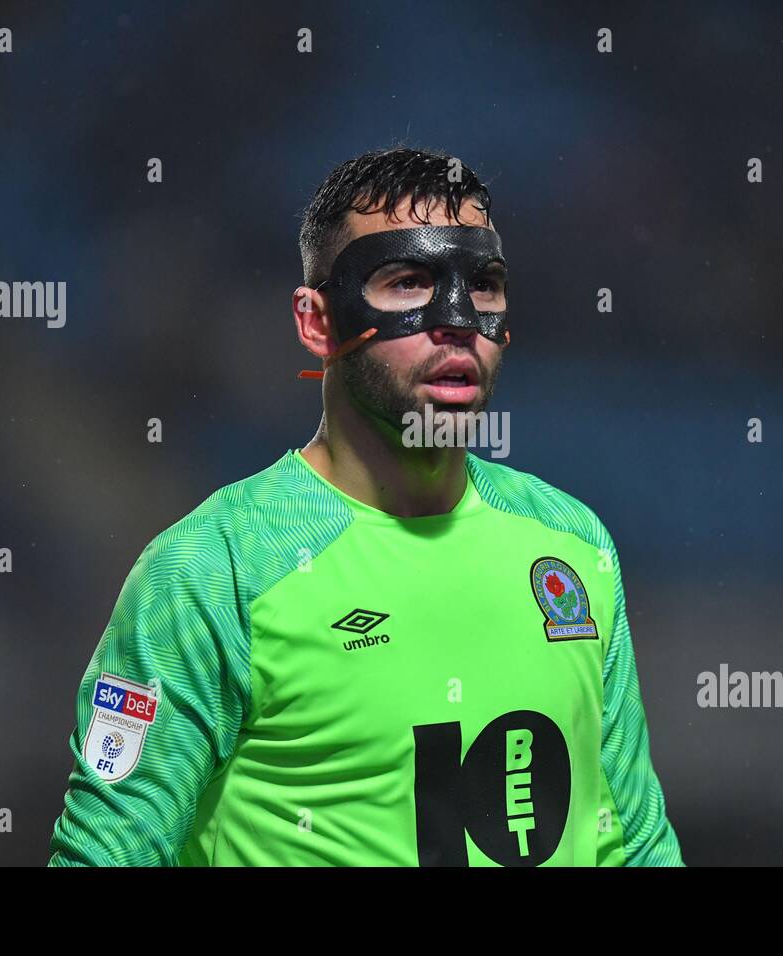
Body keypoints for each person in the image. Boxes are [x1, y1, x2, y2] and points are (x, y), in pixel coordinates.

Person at [48, 146, 684, 866]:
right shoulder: (211, 571)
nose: (457, 319)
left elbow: (635, 843)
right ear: (316, 322)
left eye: (483, 284)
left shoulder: (574, 546)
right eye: (409, 281)